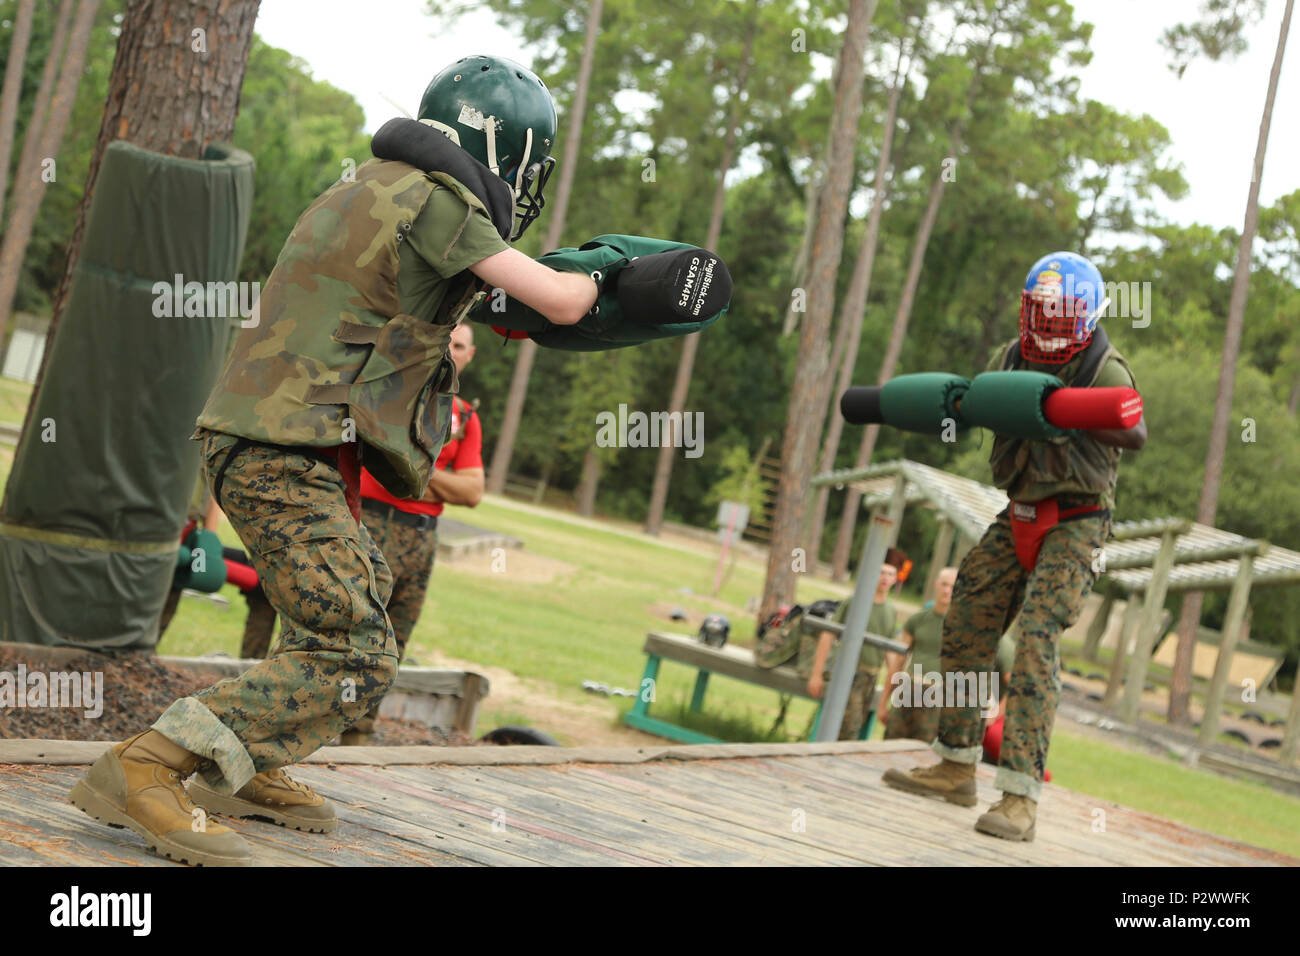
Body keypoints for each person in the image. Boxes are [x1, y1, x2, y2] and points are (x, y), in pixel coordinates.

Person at [68, 56, 597, 866]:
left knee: (342, 603)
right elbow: (560, 301)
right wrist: (620, 279)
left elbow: (460, 303)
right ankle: (147, 768)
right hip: (283, 450)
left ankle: (243, 761)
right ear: (505, 153)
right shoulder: (448, 200)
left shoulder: (374, 183)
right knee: (355, 645)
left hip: (276, 438)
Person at [883, 251, 1146, 842]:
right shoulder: (1011, 354)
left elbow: (1136, 432)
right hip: (1019, 511)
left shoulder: (1105, 368)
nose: (1049, 322)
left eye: (1061, 311)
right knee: (966, 619)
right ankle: (955, 763)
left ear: (1086, 313)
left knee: (1036, 639)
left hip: (1077, 520)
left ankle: (1020, 798)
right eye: (1041, 310)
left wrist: (1064, 413)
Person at [344, 321, 484, 743]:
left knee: (394, 640)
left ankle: (357, 734)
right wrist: (438, 476)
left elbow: (473, 491)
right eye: (447, 343)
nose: (452, 352)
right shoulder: (395, 396)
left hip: (422, 538)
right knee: (346, 625)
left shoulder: (466, 416)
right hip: (372, 525)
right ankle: (305, 722)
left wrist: (415, 467)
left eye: (460, 346)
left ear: (469, 356)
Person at [801, 547, 906, 740]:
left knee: (856, 728)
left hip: (871, 677)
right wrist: (816, 674)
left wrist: (895, 680)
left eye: (890, 574)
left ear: (894, 579)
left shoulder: (891, 611)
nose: (885, 577)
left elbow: (890, 652)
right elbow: (828, 635)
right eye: (881, 572)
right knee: (847, 728)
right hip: (849, 673)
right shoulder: (855, 601)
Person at [880, 566, 957, 743]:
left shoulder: (961, 628)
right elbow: (898, 660)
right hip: (908, 688)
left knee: (923, 749)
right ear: (936, 585)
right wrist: (883, 702)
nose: (947, 590)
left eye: (952, 587)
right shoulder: (918, 620)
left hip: (937, 695)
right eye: (944, 584)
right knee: (891, 741)